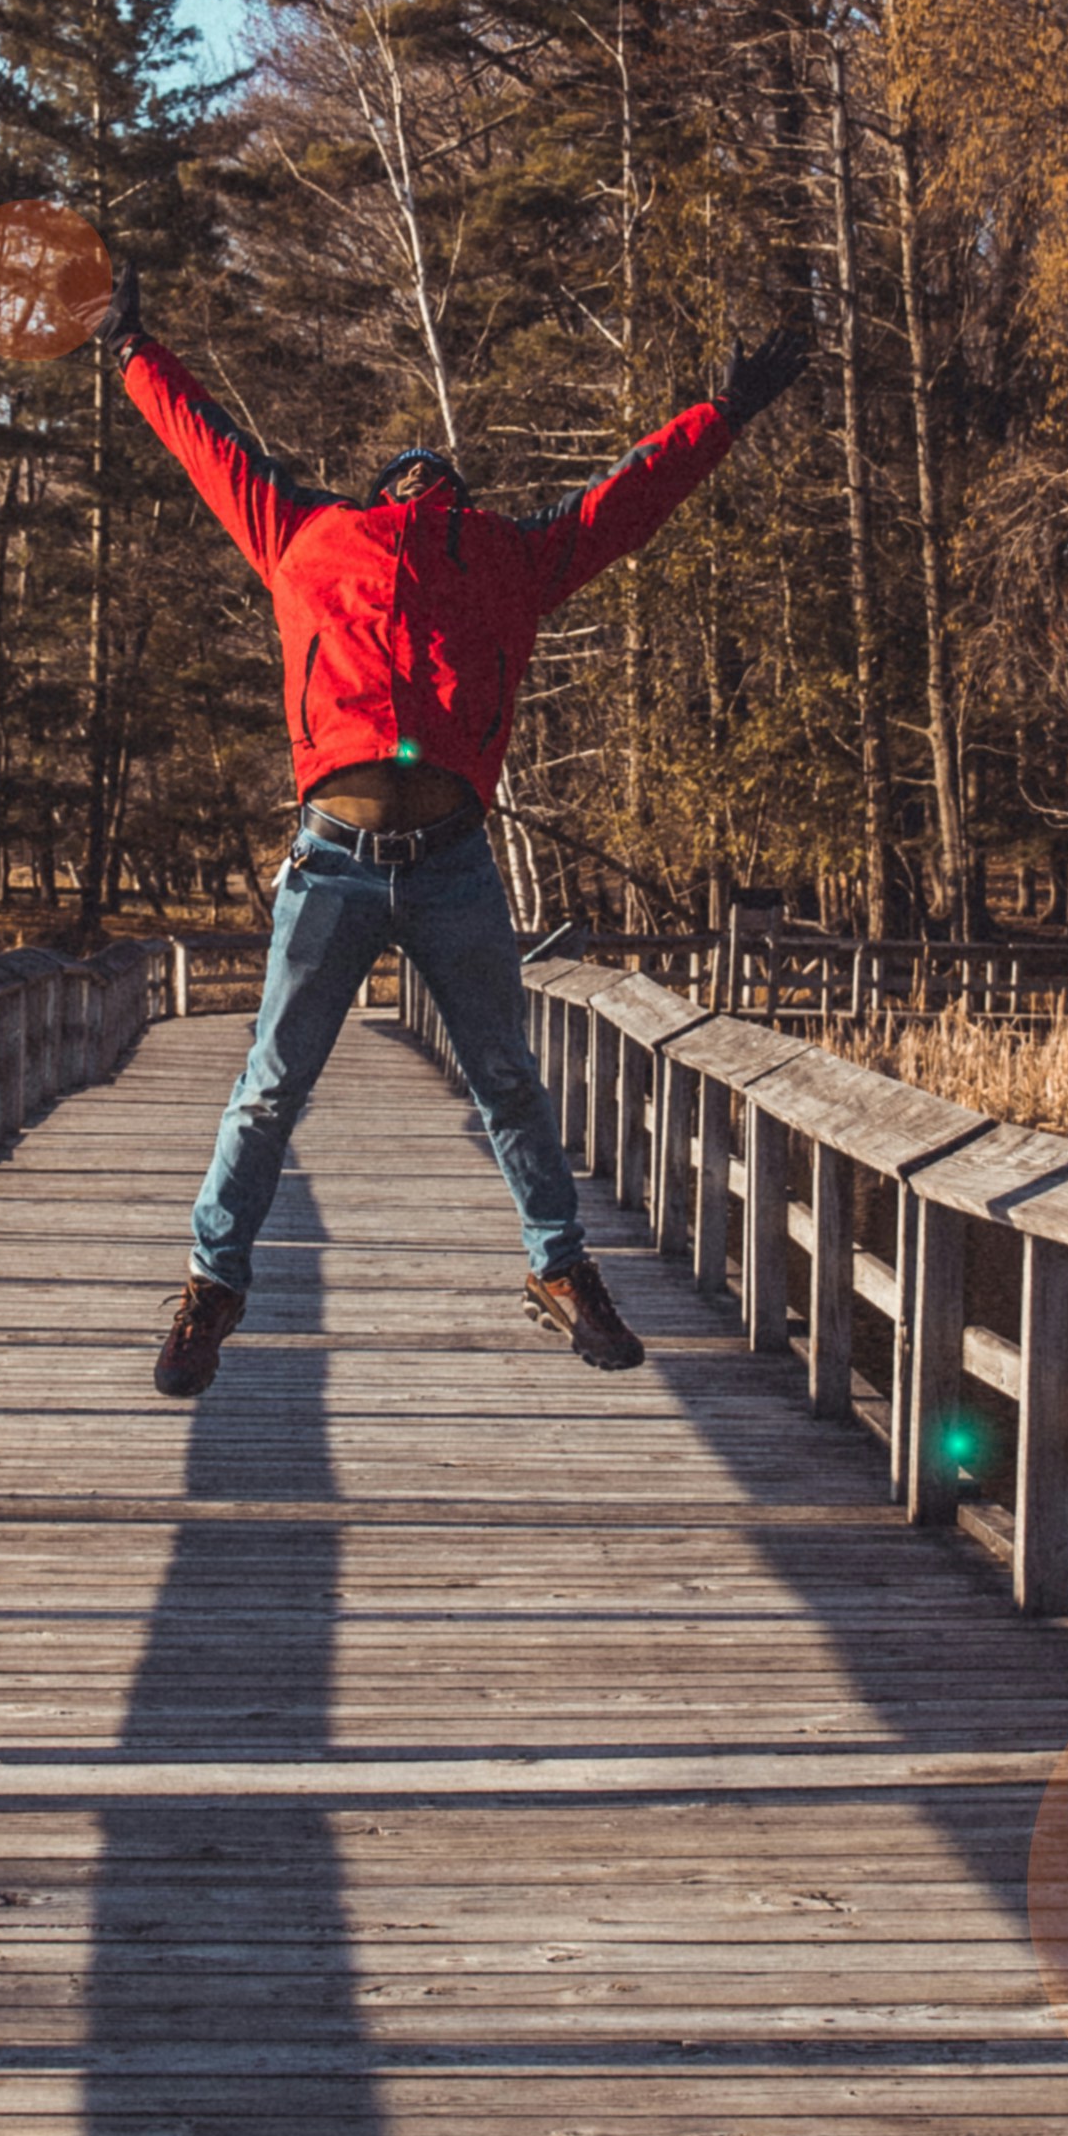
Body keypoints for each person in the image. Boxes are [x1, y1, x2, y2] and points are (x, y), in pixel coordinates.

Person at [103, 259, 813, 1395]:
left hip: (450, 865)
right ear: (385, 489)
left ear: (456, 492)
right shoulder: (307, 535)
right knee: (269, 1086)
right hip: (330, 863)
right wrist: (131, 350)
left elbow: (624, 500)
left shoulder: (504, 555)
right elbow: (210, 447)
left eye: (439, 468)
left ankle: (559, 1269)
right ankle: (211, 1281)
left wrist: (718, 416)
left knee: (505, 1079)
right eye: (409, 467)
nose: (423, 469)